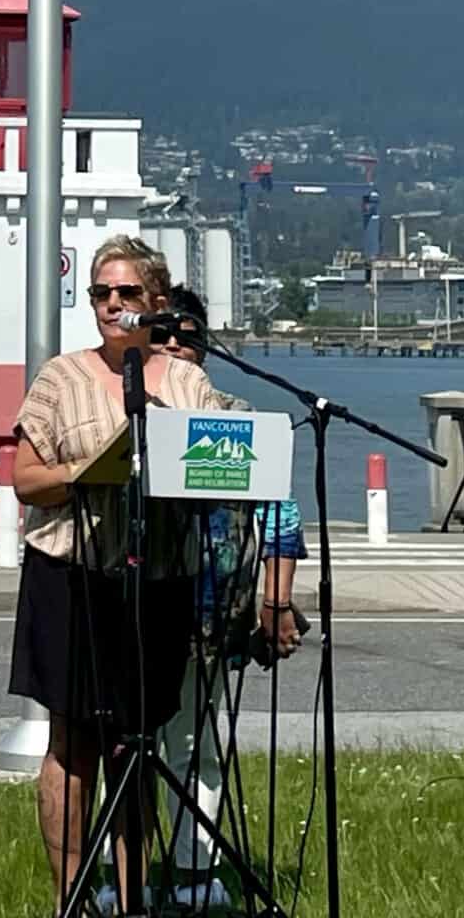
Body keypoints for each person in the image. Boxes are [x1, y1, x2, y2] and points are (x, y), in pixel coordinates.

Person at [11, 235, 239, 906]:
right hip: (72, 575)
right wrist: (82, 475)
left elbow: (219, 472)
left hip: (158, 578)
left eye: (127, 294)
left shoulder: (188, 382)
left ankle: (132, 891)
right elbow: (24, 478)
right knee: (73, 740)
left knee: (135, 744)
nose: (112, 305)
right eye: (100, 294)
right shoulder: (61, 376)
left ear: (156, 303)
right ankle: (72, 896)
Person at [160, 284, 305, 895]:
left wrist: (275, 601)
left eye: (187, 335)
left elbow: (281, 516)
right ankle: (125, 872)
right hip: (129, 604)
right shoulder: (120, 412)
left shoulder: (237, 416)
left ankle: (195, 871)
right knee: (125, 750)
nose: (174, 345)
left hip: (214, 611)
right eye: (161, 333)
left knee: (197, 742)